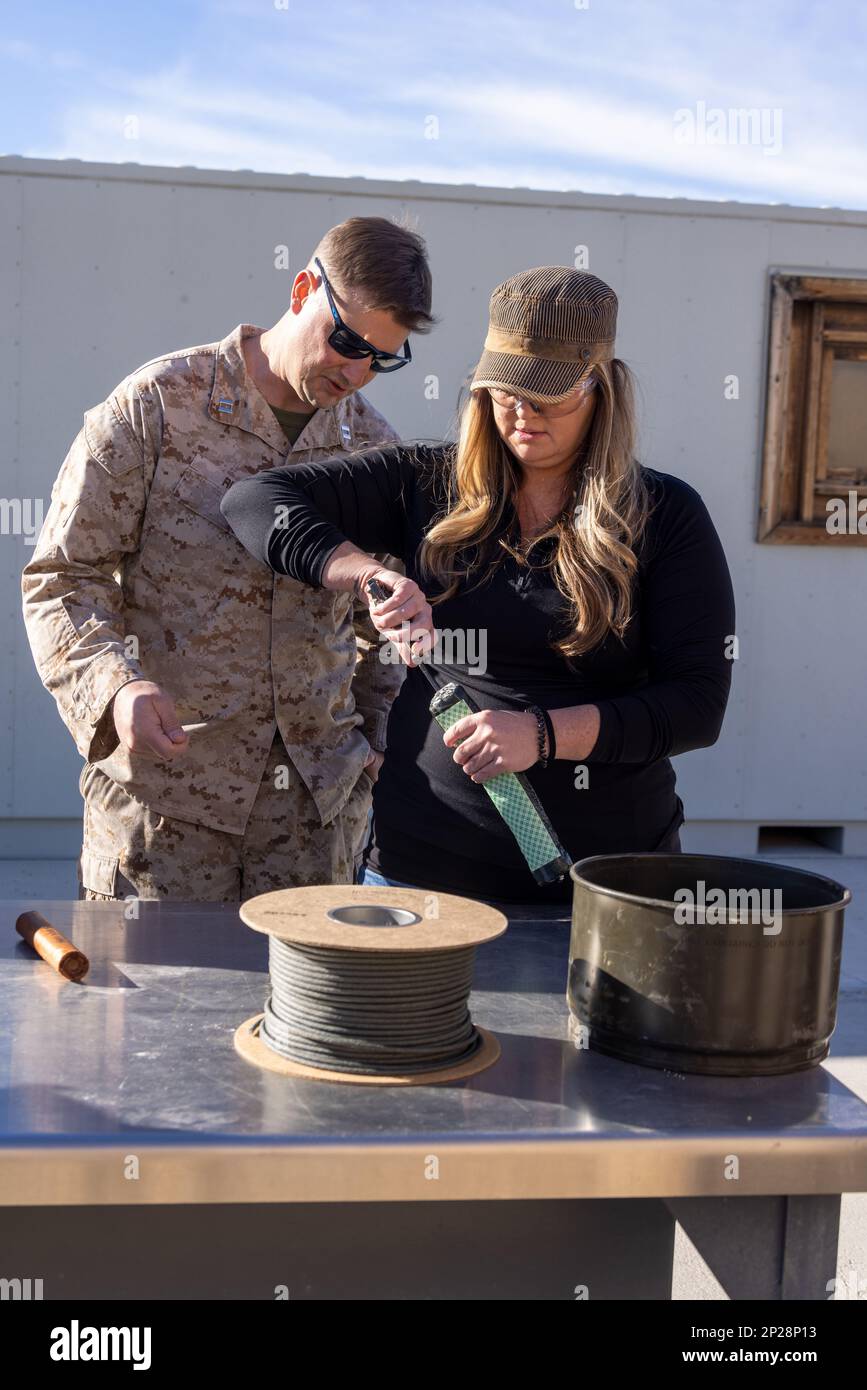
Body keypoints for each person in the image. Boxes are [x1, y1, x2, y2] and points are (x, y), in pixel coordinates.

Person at [222, 266, 736, 906]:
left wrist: (542, 734)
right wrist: (369, 573)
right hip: (418, 872)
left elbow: (696, 704)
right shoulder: (427, 481)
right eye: (505, 390)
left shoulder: (666, 514)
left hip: (603, 884)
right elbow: (254, 500)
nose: (522, 412)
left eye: (547, 394)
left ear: (601, 388)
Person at [22, 216, 434, 902]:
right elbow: (65, 578)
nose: (356, 371)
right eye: (345, 342)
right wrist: (114, 687)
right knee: (153, 1007)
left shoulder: (373, 451)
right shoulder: (157, 405)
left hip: (312, 827)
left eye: (381, 358)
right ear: (303, 288)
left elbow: (383, 624)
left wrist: (373, 739)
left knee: (303, 1012)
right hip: (168, 812)